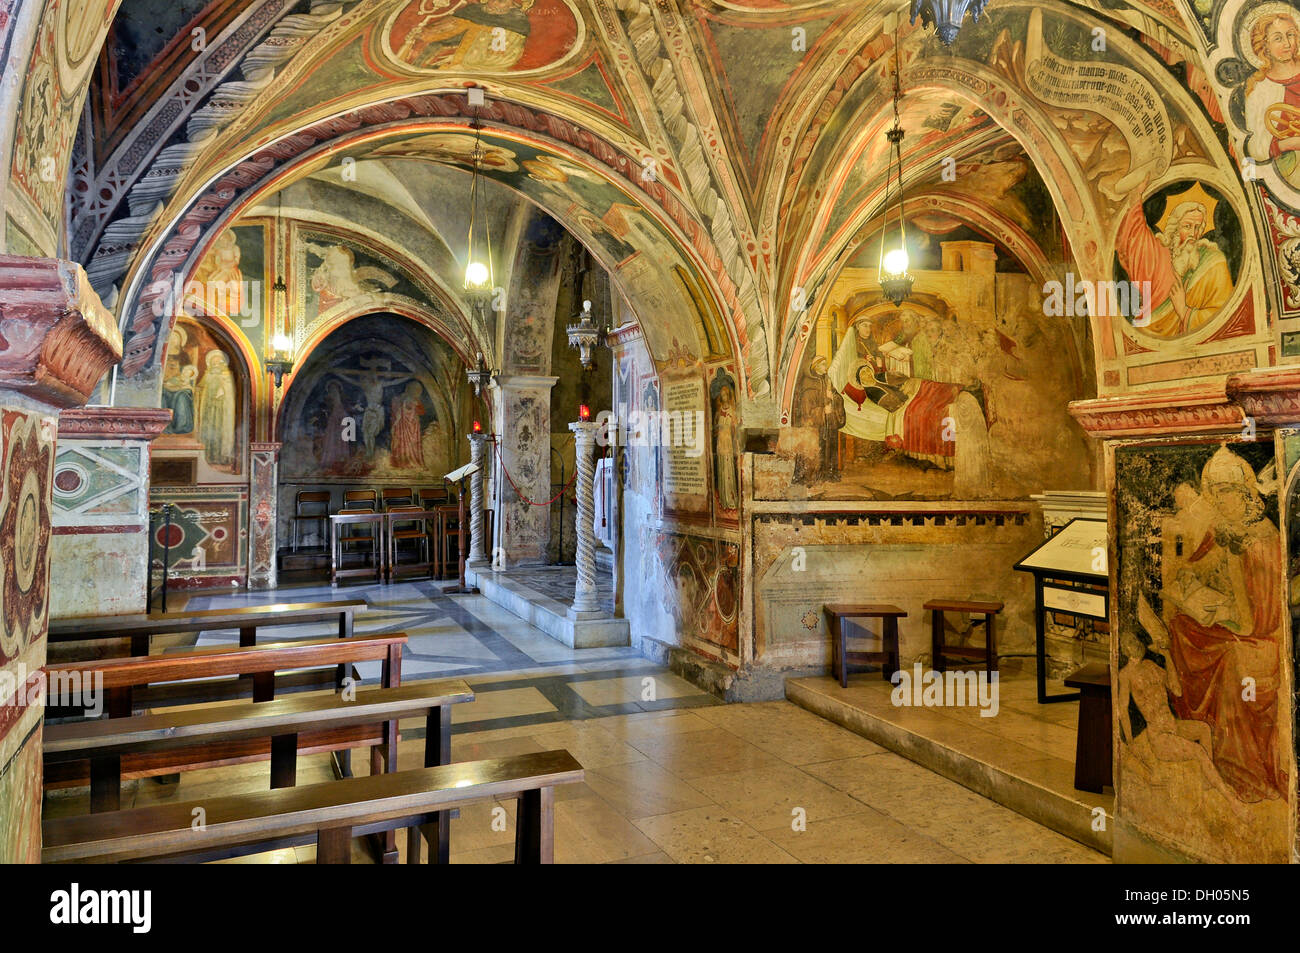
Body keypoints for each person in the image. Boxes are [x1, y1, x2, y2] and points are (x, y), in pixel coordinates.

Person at [1159, 445, 1285, 803]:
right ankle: (1202, 744)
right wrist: (1189, 588)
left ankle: (1238, 768)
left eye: (1226, 492)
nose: (1219, 501)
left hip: (1259, 637)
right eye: (1214, 493)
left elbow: (1254, 621)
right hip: (1235, 622)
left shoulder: (1263, 537)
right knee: (1181, 628)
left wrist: (1217, 610)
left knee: (1229, 659)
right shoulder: (1225, 527)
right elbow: (1194, 567)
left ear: (1245, 494)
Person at [1115, 182, 1234, 337]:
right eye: (1187, 226)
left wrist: (1184, 311)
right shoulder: (1159, 253)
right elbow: (1133, 238)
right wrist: (1135, 198)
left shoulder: (1214, 262)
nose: (1193, 233)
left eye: (1198, 227)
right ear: (1175, 228)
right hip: (1150, 332)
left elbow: (1224, 315)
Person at [1244, 12, 1300, 187]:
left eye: (1291, 35)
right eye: (1278, 38)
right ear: (1265, 46)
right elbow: (1252, 150)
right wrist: (1289, 144)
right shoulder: (1260, 91)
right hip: (1293, 167)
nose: (1287, 43)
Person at [196, 350, 237, 468]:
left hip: (222, 409)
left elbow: (230, 390)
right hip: (209, 409)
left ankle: (222, 457)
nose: (216, 364)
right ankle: (209, 456)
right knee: (209, 430)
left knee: (220, 431)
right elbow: (201, 386)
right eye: (213, 362)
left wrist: (223, 390)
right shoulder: (208, 374)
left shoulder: (227, 375)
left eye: (218, 362)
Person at [713, 384, 739, 510]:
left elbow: (735, 430)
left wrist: (734, 443)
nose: (724, 397)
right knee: (722, 469)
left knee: (728, 469)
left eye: (726, 395)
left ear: (729, 396)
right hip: (720, 443)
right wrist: (718, 430)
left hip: (728, 443)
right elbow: (714, 429)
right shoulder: (718, 413)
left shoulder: (732, 411)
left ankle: (731, 498)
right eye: (722, 395)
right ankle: (724, 499)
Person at [389, 381, 426, 469]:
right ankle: (402, 462)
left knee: (413, 444)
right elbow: (395, 411)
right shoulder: (401, 399)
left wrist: (415, 406)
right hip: (403, 425)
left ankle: (413, 461)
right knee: (402, 442)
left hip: (413, 425)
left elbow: (422, 412)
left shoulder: (416, 400)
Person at [161, 355, 196, 435]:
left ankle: (181, 425)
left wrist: (172, 387)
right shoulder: (177, 377)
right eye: (185, 371)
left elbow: (185, 388)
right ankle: (165, 425)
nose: (185, 373)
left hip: (181, 394)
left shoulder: (187, 381)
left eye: (188, 373)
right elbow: (170, 385)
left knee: (181, 397)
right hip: (172, 393)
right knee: (163, 395)